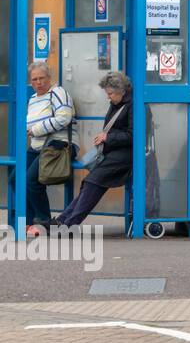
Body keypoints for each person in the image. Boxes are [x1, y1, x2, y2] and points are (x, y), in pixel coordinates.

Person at [56, 72, 131, 229]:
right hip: (113, 153)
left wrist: (108, 138)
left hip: (126, 156)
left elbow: (133, 135)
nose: (108, 97)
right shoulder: (117, 103)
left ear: (122, 90)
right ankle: (63, 220)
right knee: (89, 183)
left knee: (91, 182)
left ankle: (69, 224)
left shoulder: (133, 106)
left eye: (110, 93)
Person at [8, 61, 75, 236]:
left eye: (42, 78)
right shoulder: (32, 99)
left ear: (49, 78)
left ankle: (44, 221)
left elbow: (64, 118)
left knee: (31, 179)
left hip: (58, 144)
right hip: (38, 146)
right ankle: (29, 221)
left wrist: (36, 129)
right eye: (34, 79)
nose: (38, 82)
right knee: (16, 178)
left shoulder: (58, 93)